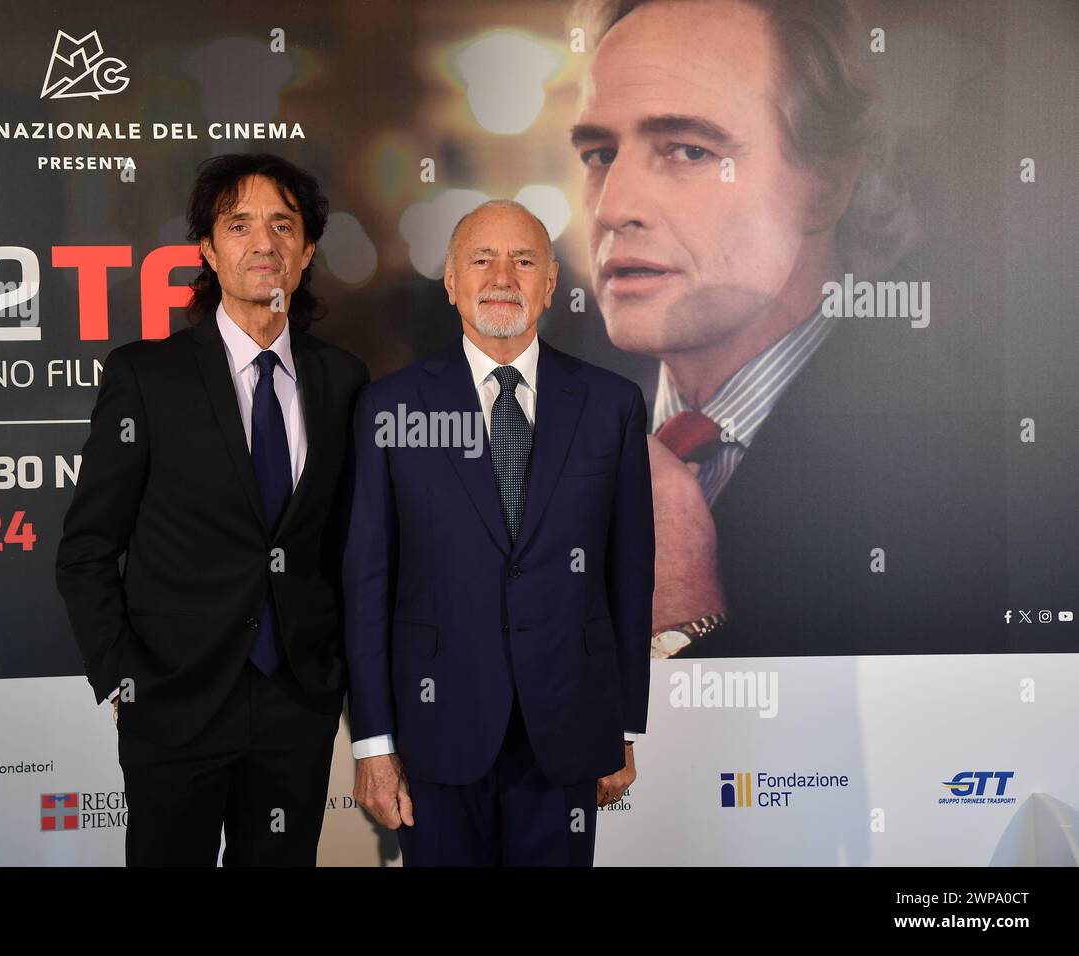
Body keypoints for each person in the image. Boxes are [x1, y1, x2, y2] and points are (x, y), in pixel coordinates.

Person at [570, 0, 1012, 657]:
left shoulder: (975, 475)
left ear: (827, 184)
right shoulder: (564, 438)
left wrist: (683, 626)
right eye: (601, 153)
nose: (613, 206)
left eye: (690, 150)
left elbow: (939, 747)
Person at [55, 153, 369, 865]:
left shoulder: (344, 380)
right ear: (207, 249)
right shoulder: (145, 378)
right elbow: (86, 550)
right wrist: (125, 682)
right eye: (240, 224)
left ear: (309, 248)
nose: (265, 244)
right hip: (174, 704)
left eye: (284, 225)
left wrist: (335, 673)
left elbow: (351, 548)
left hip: (297, 706)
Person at [343, 199, 654, 866]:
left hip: (568, 730)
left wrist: (623, 724)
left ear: (549, 285)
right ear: (452, 282)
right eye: (481, 259)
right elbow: (366, 584)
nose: (502, 276)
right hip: (434, 731)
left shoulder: (612, 405)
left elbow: (629, 574)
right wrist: (372, 744)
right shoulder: (390, 407)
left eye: (523, 260)